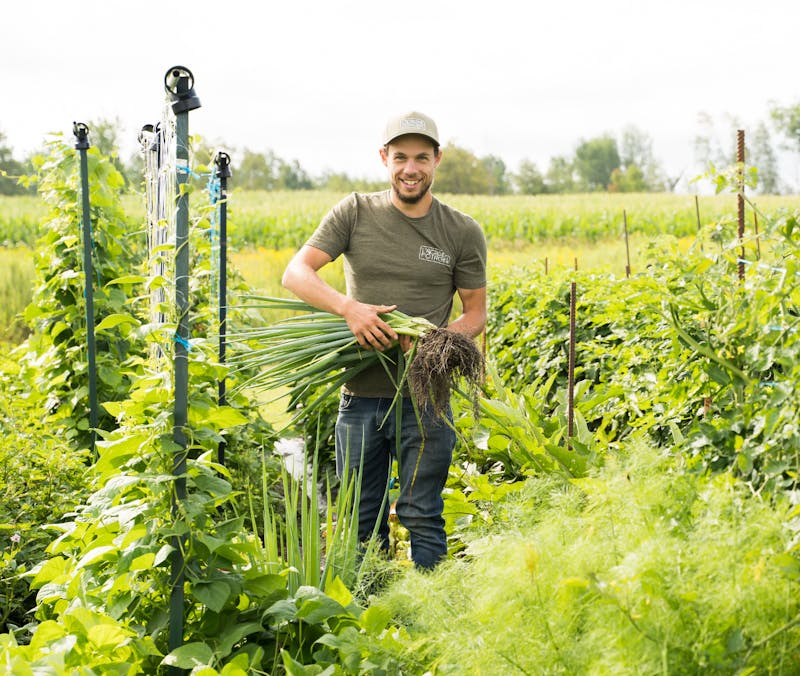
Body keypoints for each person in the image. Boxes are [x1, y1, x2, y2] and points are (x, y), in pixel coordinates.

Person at [281, 111, 487, 569]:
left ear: (437, 160)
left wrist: (436, 342)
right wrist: (349, 309)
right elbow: (296, 273)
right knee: (359, 521)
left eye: (421, 158)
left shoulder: (461, 230)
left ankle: (429, 604)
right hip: (360, 398)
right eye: (400, 157)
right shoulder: (355, 212)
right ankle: (366, 603)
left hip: (425, 400)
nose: (410, 168)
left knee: (423, 516)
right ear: (384, 158)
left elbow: (475, 313)